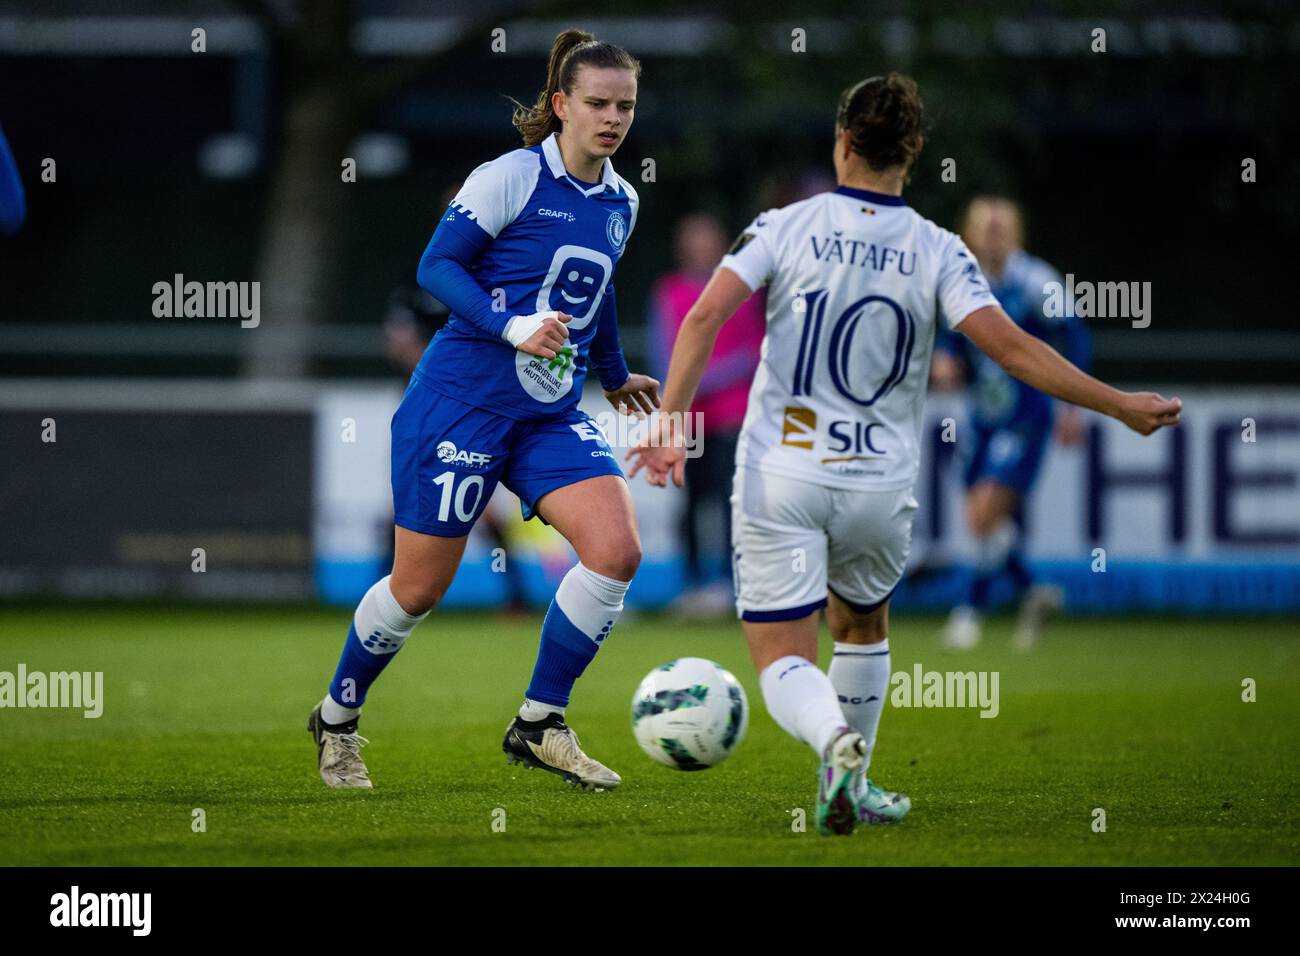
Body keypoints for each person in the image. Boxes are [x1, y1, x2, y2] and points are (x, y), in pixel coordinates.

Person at [627, 73, 1180, 835]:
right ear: (913, 153)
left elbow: (704, 319)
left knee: (783, 656)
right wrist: (1119, 405)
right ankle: (858, 778)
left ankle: (833, 742)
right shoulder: (938, 249)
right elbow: (1017, 352)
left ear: (843, 142)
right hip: (877, 484)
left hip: (781, 470)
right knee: (862, 629)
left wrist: (668, 423)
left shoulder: (783, 225)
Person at [308, 29, 660, 792]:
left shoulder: (622, 200)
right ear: (562, 104)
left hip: (547, 412)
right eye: (597, 103)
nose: (612, 118)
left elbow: (594, 295)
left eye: (624, 105)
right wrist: (512, 327)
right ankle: (337, 718)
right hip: (458, 405)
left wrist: (614, 372)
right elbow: (436, 265)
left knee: (617, 549)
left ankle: (540, 721)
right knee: (418, 589)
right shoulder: (509, 177)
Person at [931, 197, 1091, 651]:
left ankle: (968, 612)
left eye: (1000, 229)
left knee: (983, 513)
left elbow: (1074, 336)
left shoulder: (1036, 281)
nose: (992, 237)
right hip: (982, 418)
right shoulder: (965, 280)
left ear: (1015, 234)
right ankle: (1034, 588)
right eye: (985, 228)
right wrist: (946, 362)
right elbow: (952, 342)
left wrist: (1071, 406)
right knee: (982, 521)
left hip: (1026, 416)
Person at [649, 214, 764, 615]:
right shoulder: (670, 290)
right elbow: (662, 350)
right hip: (690, 417)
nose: (701, 248)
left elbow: (753, 353)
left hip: (733, 414)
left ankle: (734, 587)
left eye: (707, 240)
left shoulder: (740, 290)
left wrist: (698, 378)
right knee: (691, 501)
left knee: (733, 502)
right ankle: (694, 585)